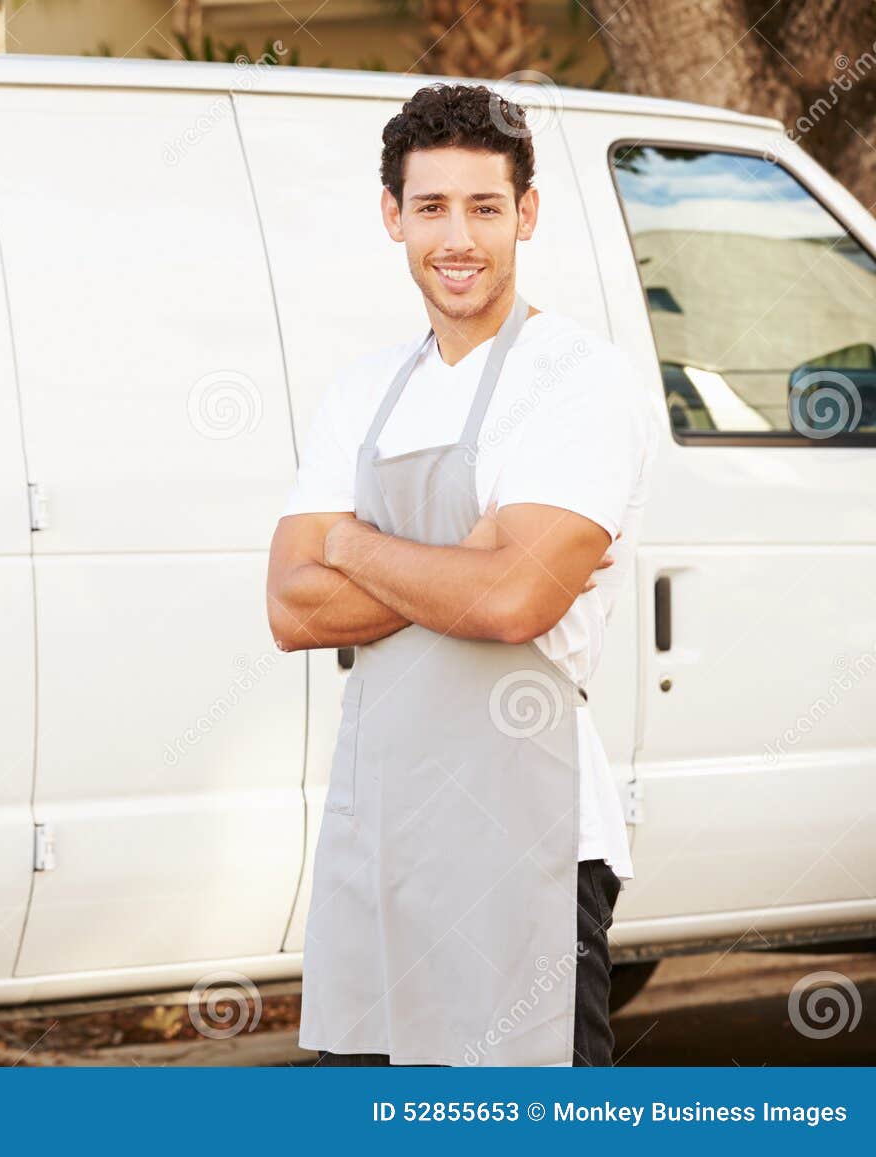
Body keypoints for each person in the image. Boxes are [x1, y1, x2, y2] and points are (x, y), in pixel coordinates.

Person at [265, 82, 659, 1067]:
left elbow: (514, 600)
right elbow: (290, 605)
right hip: (379, 841)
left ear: (526, 213)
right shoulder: (364, 390)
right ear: (392, 215)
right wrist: (463, 556)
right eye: (431, 206)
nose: (458, 237)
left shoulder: (577, 379)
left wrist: (353, 542)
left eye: (485, 207)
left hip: (528, 839)